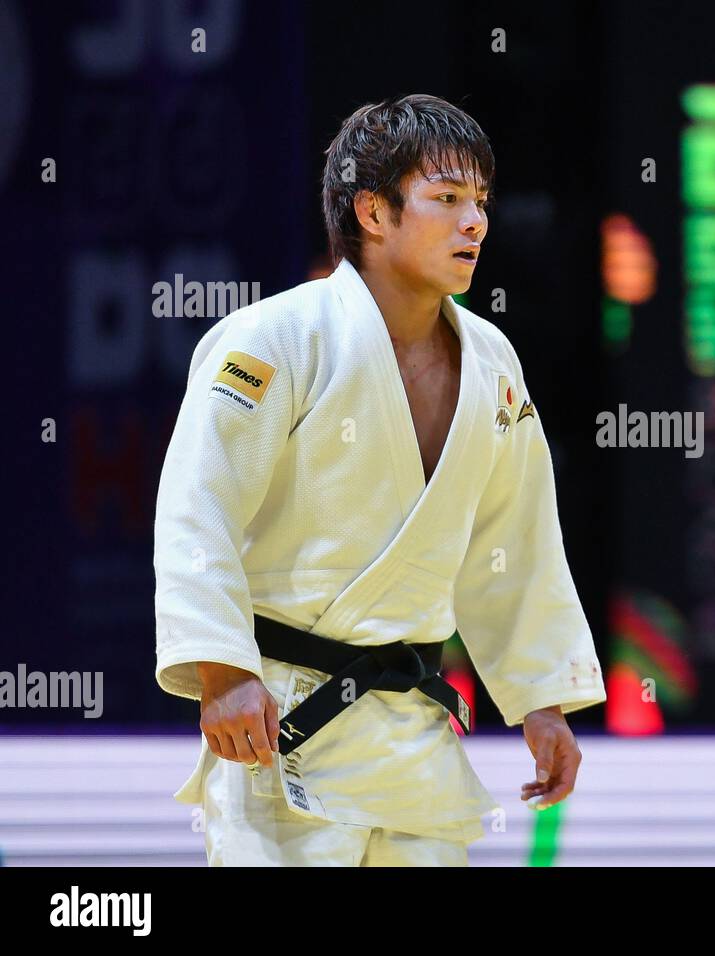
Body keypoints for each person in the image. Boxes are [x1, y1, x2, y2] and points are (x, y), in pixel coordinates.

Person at [153, 94, 605, 866]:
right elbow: (200, 509)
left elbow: (517, 538)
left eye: (481, 202)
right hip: (285, 727)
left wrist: (541, 698)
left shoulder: (493, 362)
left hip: (414, 745)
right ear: (372, 210)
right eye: (448, 199)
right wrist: (222, 669)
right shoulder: (275, 339)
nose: (476, 223)